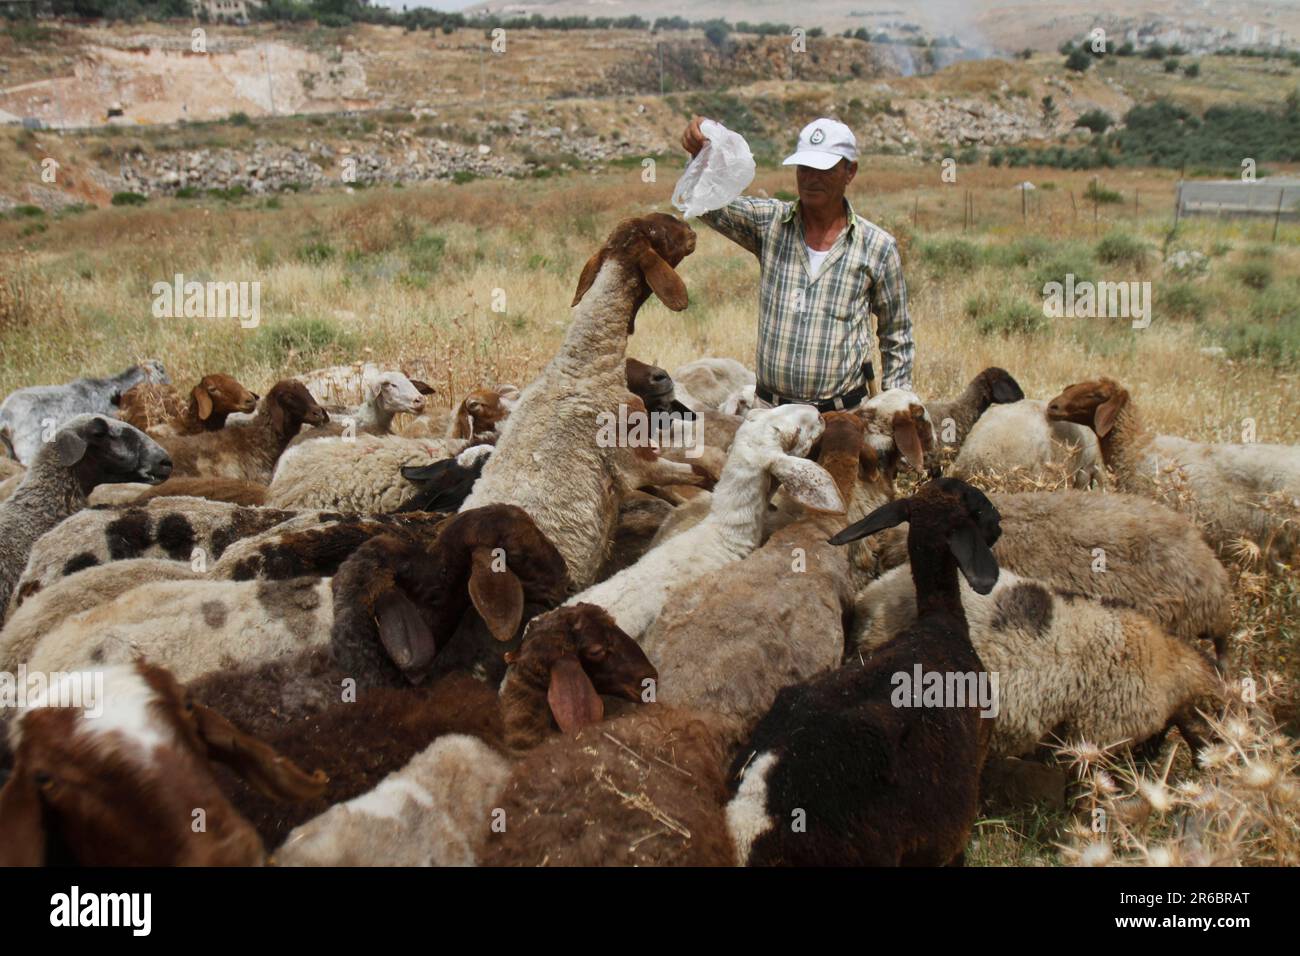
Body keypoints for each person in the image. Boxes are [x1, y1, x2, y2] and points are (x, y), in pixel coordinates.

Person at [681, 116, 914, 411]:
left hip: (842, 419)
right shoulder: (769, 224)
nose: (811, 177)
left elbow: (897, 336)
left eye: (824, 168)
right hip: (769, 416)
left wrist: (895, 411)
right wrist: (702, 149)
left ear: (850, 171)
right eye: (804, 167)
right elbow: (706, 204)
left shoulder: (878, 247)